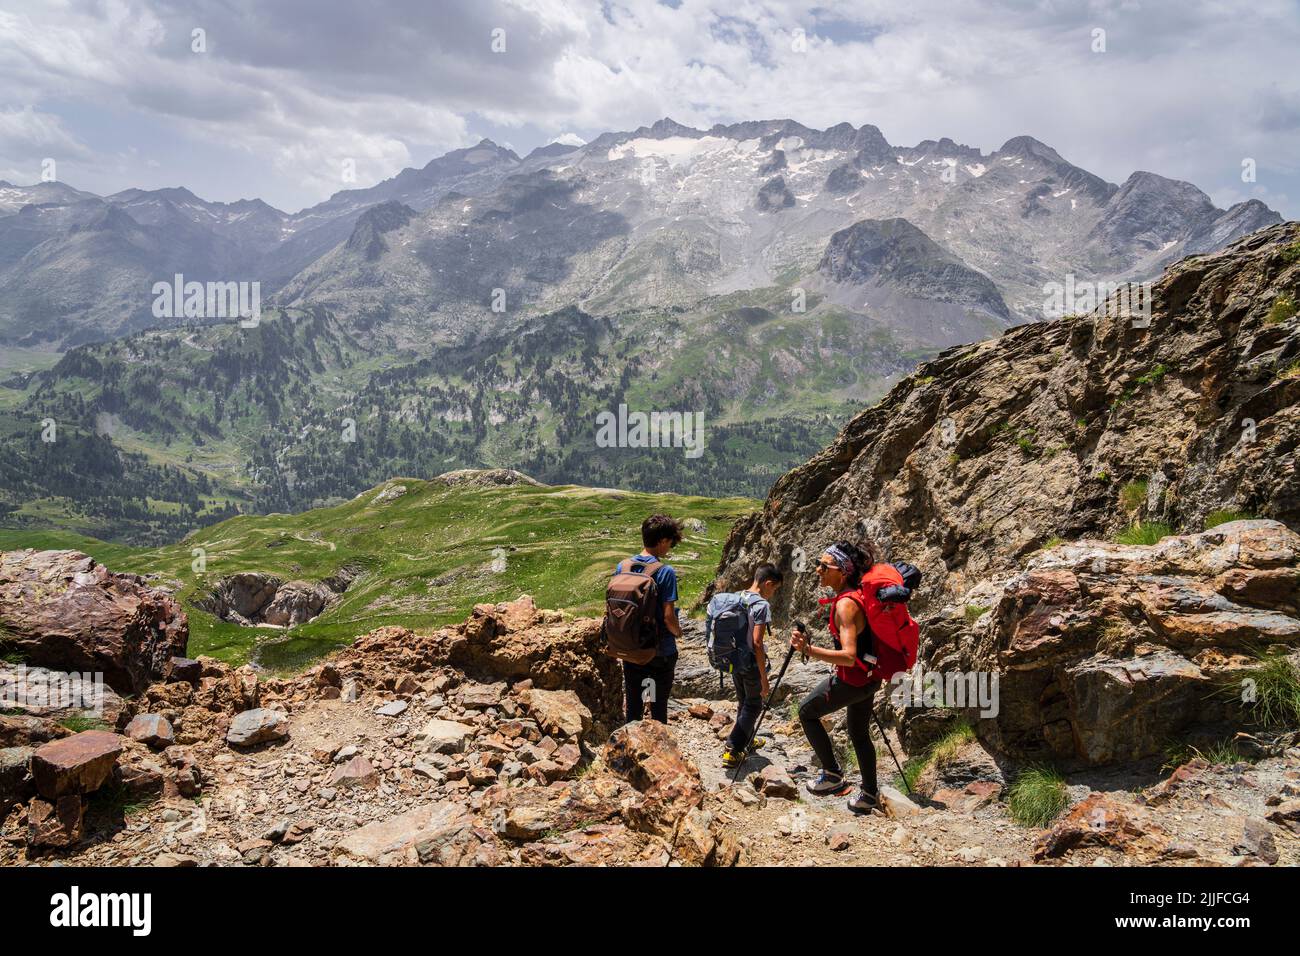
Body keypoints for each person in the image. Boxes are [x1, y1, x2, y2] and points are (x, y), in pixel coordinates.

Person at [790, 540, 881, 814]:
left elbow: (848, 655)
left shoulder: (845, 605)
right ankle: (870, 794)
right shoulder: (856, 596)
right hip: (869, 677)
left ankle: (832, 775)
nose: (817, 569)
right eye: (817, 563)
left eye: (824, 566)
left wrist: (808, 649)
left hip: (852, 679)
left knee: (806, 712)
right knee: (859, 733)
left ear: (842, 572)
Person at [616, 514, 683, 724]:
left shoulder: (623, 567)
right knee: (657, 706)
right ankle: (656, 739)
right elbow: (668, 616)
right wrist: (678, 632)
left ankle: (631, 738)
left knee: (634, 705)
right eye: (670, 542)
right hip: (659, 651)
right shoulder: (665, 572)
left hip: (630, 648)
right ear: (662, 540)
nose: (669, 547)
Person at [721, 563, 784, 769]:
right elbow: (757, 642)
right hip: (750, 663)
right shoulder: (761, 605)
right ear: (768, 583)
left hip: (734, 660)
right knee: (754, 704)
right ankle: (733, 749)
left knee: (744, 701)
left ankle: (746, 739)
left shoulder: (736, 596)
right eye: (774, 589)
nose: (773, 594)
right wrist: (764, 678)